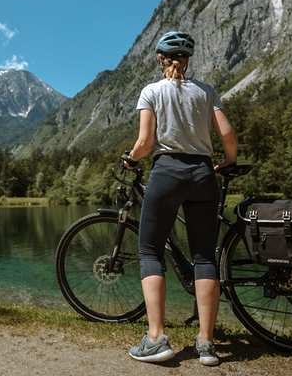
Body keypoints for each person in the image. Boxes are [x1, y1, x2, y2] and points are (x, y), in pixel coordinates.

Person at [122, 29, 237, 366]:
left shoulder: (151, 91)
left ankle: (156, 339)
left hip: (167, 172)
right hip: (203, 174)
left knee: (149, 250)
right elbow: (228, 135)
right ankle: (206, 343)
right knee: (204, 256)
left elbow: (145, 143)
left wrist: (131, 158)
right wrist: (227, 161)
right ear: (187, 61)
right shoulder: (206, 91)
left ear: (161, 60)